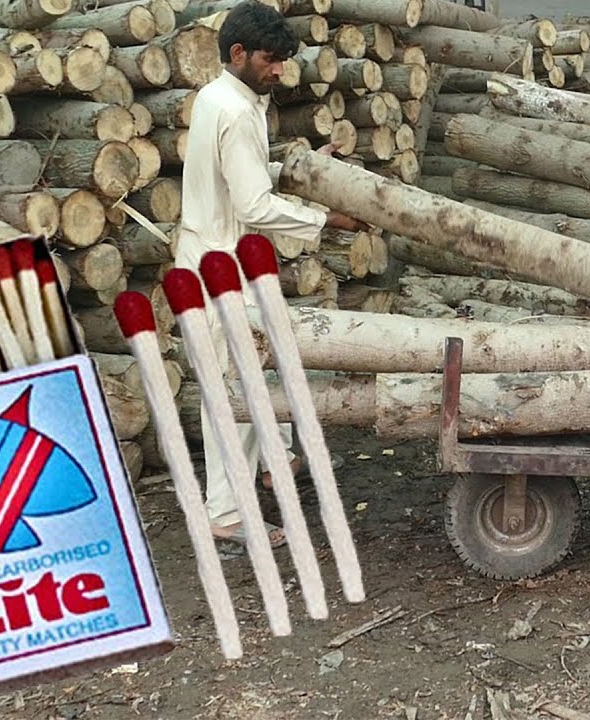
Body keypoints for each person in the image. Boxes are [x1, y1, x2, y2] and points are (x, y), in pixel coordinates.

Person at [179, 1, 367, 547]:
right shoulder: (237, 112)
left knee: (261, 365)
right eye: (271, 60)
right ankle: (226, 511)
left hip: (220, 256)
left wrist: (305, 168)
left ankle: (275, 462)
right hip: (219, 263)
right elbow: (255, 204)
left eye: (283, 61)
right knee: (234, 388)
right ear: (238, 52)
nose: (279, 71)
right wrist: (327, 219)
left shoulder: (222, 98)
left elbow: (244, 174)